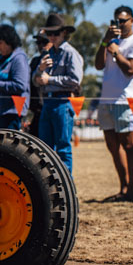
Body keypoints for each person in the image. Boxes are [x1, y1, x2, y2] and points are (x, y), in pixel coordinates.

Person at [95, 5, 133, 202]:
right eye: (116, 20)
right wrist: (105, 41)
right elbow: (98, 65)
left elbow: (131, 69)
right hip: (107, 99)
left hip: (127, 99)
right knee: (112, 145)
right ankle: (123, 187)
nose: (119, 24)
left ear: (132, 20)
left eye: (123, 20)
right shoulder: (111, 41)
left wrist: (116, 52)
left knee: (128, 144)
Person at [34, 13, 84, 173]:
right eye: (49, 33)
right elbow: (36, 80)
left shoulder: (70, 53)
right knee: (44, 149)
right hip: (47, 103)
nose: (52, 37)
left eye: (55, 33)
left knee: (63, 148)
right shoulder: (48, 54)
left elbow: (75, 80)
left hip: (63, 102)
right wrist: (40, 71)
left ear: (64, 33)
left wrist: (50, 80)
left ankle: (66, 185)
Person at [0, 24, 30, 130]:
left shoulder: (19, 59)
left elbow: (20, 85)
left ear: (9, 42)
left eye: (0, 43)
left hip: (12, 111)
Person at [27, 32, 52, 135]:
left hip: (51, 108)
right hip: (37, 110)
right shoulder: (35, 61)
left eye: (44, 42)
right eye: (38, 43)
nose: (41, 46)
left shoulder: (56, 59)